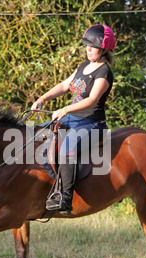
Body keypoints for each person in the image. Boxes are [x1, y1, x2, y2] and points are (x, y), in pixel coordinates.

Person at [31, 24, 116, 215]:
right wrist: (43, 98)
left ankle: (65, 197)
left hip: (91, 123)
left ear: (104, 50)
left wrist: (65, 109)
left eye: (92, 47)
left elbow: (92, 100)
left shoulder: (104, 72)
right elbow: (64, 85)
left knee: (67, 149)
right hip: (72, 118)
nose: (88, 49)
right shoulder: (83, 66)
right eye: (86, 45)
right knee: (35, 134)